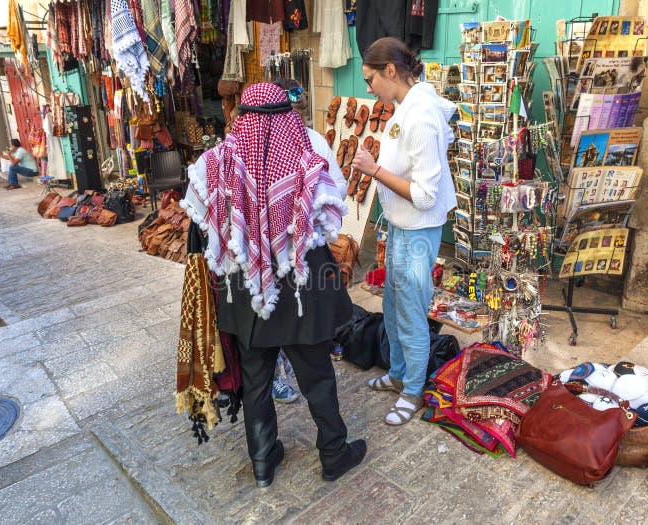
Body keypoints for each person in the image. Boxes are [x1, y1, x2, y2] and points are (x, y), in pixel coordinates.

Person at [181, 82, 365, 488]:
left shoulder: (214, 161)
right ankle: (333, 454)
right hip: (302, 281)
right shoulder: (310, 147)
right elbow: (335, 212)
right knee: (316, 373)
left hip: (246, 286)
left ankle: (263, 461)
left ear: (241, 116)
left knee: (256, 379)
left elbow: (199, 218)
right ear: (289, 112)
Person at [352, 37, 457, 426]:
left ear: (390, 71)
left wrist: (375, 170)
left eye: (370, 79)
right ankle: (398, 373)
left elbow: (427, 196)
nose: (367, 88)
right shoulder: (405, 109)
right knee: (393, 307)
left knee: (411, 312)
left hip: (417, 230)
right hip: (400, 226)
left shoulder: (420, 116)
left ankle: (413, 389)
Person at [268, 77, 349, 404]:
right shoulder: (314, 140)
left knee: (276, 309)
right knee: (299, 309)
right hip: (307, 247)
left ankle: (280, 367)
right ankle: (295, 365)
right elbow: (340, 187)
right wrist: (316, 204)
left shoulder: (264, 142)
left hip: (274, 249)